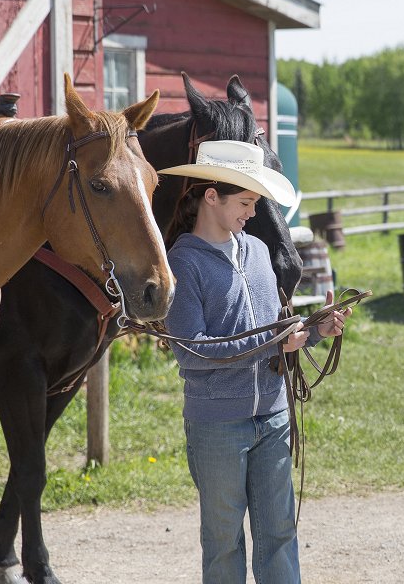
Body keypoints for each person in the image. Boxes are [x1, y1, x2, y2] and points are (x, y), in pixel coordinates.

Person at [160, 139, 351, 584]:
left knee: (280, 533)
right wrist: (272, 345)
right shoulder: (183, 264)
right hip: (217, 426)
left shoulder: (259, 253)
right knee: (224, 542)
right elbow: (190, 350)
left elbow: (274, 333)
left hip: (273, 416)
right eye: (246, 201)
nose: (252, 212)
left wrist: (315, 331)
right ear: (212, 196)